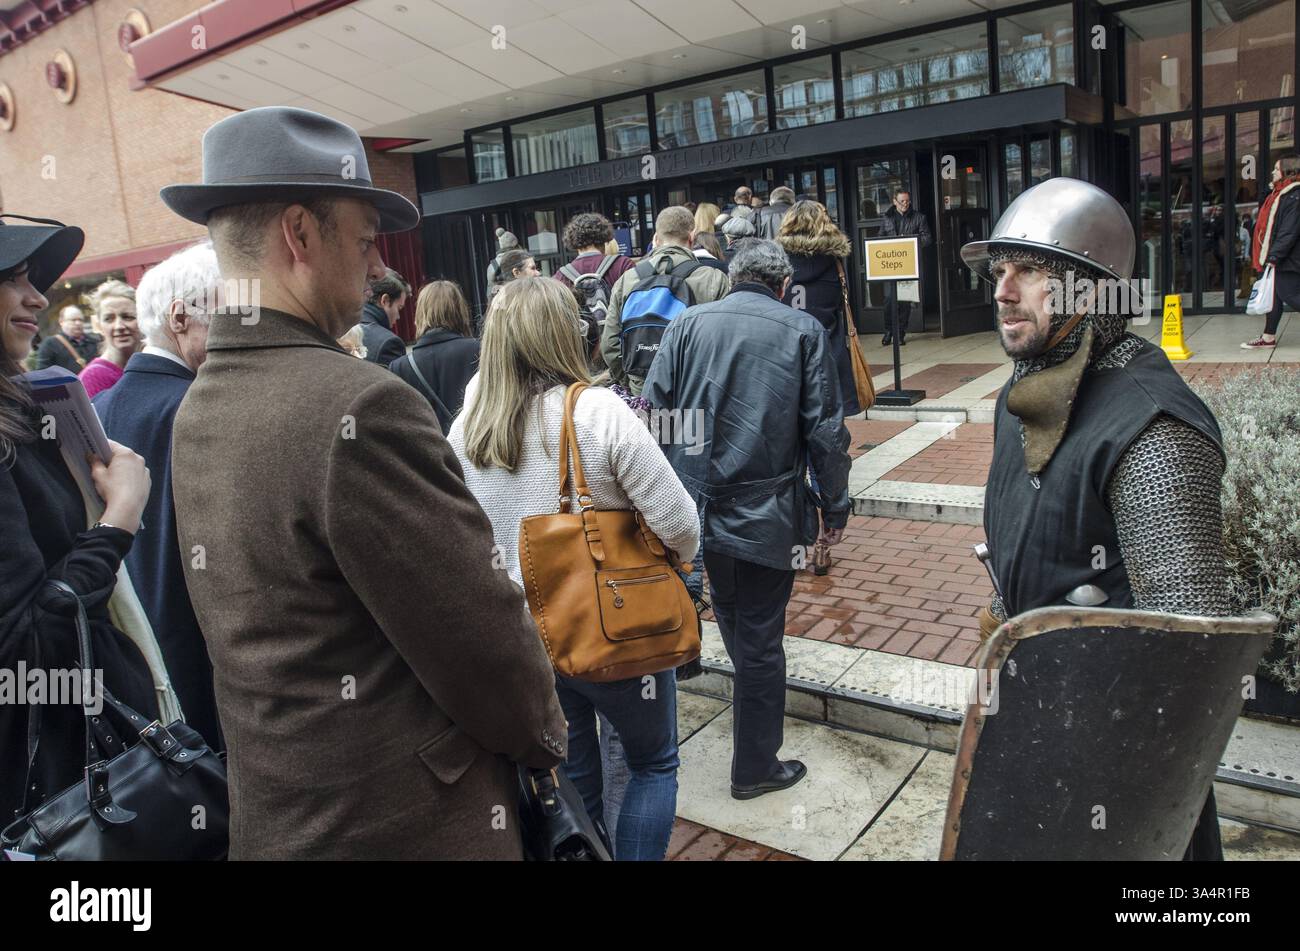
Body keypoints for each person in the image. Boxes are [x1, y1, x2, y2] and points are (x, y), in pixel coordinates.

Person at [161, 105, 566, 860]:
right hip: (405, 825)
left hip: (280, 823)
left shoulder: (201, 404)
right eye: (366, 240)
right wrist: (545, 737)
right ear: (300, 234)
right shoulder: (358, 406)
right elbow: (485, 645)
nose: (379, 267)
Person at [963, 177, 1232, 860]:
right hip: (1033, 728)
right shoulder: (1023, 392)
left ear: (1090, 289)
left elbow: (1188, 661)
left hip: (1122, 768)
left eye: (1029, 270)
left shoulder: (1153, 428)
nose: (1003, 289)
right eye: (1000, 270)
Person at [448, 277, 699, 860]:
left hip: (524, 639)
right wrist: (674, 562)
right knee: (652, 763)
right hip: (610, 630)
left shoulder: (468, 423)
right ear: (567, 332)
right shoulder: (596, 410)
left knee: (573, 768)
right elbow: (680, 521)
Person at [642, 239, 851, 801]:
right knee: (757, 638)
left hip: (698, 509)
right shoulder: (801, 329)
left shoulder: (688, 324)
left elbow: (654, 411)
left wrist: (688, 468)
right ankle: (755, 766)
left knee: (739, 621)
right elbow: (825, 432)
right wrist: (835, 505)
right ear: (784, 285)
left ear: (734, 278)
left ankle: (755, 750)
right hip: (763, 514)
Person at [0, 212, 165, 825]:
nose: (37, 296)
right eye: (13, 278)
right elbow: (24, 644)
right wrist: (119, 517)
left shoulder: (23, 406)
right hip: (55, 780)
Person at [92, 241, 225, 750]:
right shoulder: (201, 407)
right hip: (206, 671)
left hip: (139, 666)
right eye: (230, 315)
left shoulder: (99, 408)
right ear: (180, 317)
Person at [601, 206, 730, 396]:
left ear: (656, 239)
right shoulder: (714, 279)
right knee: (692, 427)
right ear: (692, 237)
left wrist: (632, 382)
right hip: (694, 395)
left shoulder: (627, 280)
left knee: (651, 427)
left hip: (643, 395)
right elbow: (724, 342)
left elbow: (610, 344)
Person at [778, 200, 860, 418]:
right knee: (831, 426)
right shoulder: (835, 263)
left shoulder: (776, 263)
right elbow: (844, 301)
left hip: (785, 356)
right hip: (828, 354)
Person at [390, 280, 480, 431]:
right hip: (472, 445)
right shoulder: (479, 349)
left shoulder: (400, 366)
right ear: (459, 310)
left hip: (429, 451)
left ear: (420, 313)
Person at [1243, 153, 1300, 349]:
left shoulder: (1295, 195)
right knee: (1274, 296)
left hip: (1288, 257)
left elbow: (1289, 230)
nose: (1273, 172)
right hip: (1278, 255)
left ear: (1287, 172)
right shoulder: (1279, 194)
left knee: (1290, 295)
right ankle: (1268, 337)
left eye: (1276, 169)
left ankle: (1268, 337)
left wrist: (1275, 255)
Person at [879, 190, 932, 346]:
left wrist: (910, 242)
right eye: (902, 201)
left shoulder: (919, 218)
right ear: (895, 201)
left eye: (907, 201)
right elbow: (880, 237)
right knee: (889, 300)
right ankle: (888, 330)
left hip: (908, 264)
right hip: (890, 264)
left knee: (904, 301)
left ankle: (900, 333)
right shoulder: (887, 217)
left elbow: (927, 239)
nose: (905, 204)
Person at [79, 279, 142, 398]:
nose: (119, 326)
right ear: (99, 325)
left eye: (128, 317)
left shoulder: (147, 367)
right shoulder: (93, 378)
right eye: (109, 319)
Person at [359, 267, 408, 366]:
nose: (398, 316)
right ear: (385, 300)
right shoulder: (388, 343)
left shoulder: (343, 330)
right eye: (399, 307)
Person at [33, 304, 100, 372]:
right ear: (61, 322)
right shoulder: (50, 344)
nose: (78, 323)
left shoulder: (94, 342)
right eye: (73, 320)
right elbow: (43, 372)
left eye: (81, 320)